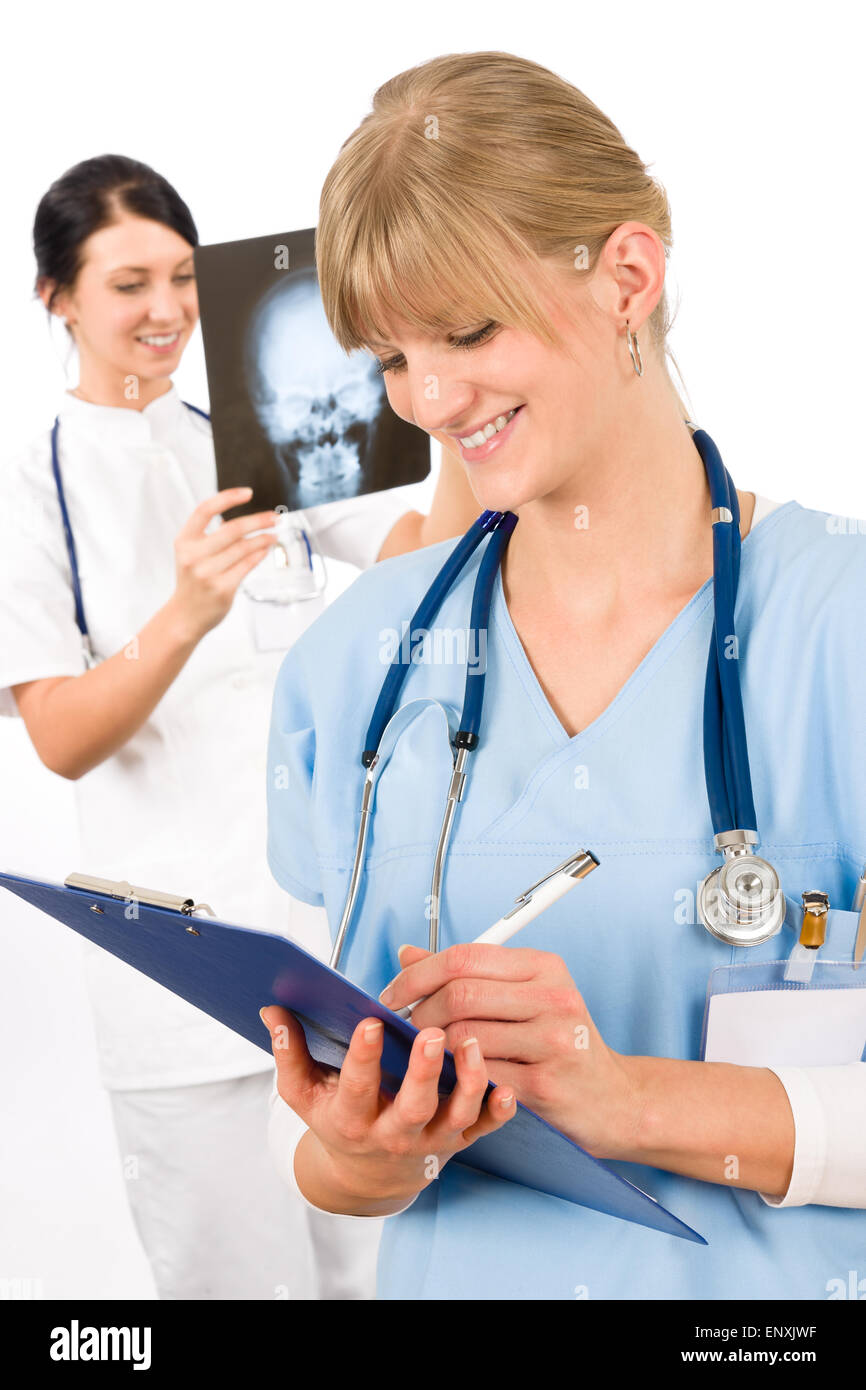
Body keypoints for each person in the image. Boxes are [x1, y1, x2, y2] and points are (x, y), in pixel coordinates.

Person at [261, 51, 866, 1300]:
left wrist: (620, 1095)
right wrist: (363, 1146)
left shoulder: (835, 628)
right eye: (389, 356)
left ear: (627, 278)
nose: (427, 397)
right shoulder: (356, 667)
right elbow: (315, 1156)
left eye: (467, 331)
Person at [0, 154, 480, 1300]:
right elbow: (60, 735)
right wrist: (187, 612)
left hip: (326, 961)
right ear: (56, 298)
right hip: (181, 973)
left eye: (179, 277)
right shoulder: (30, 480)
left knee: (383, 1283)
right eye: (126, 285)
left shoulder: (264, 430)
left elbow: (420, 554)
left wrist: (443, 391)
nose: (164, 310)